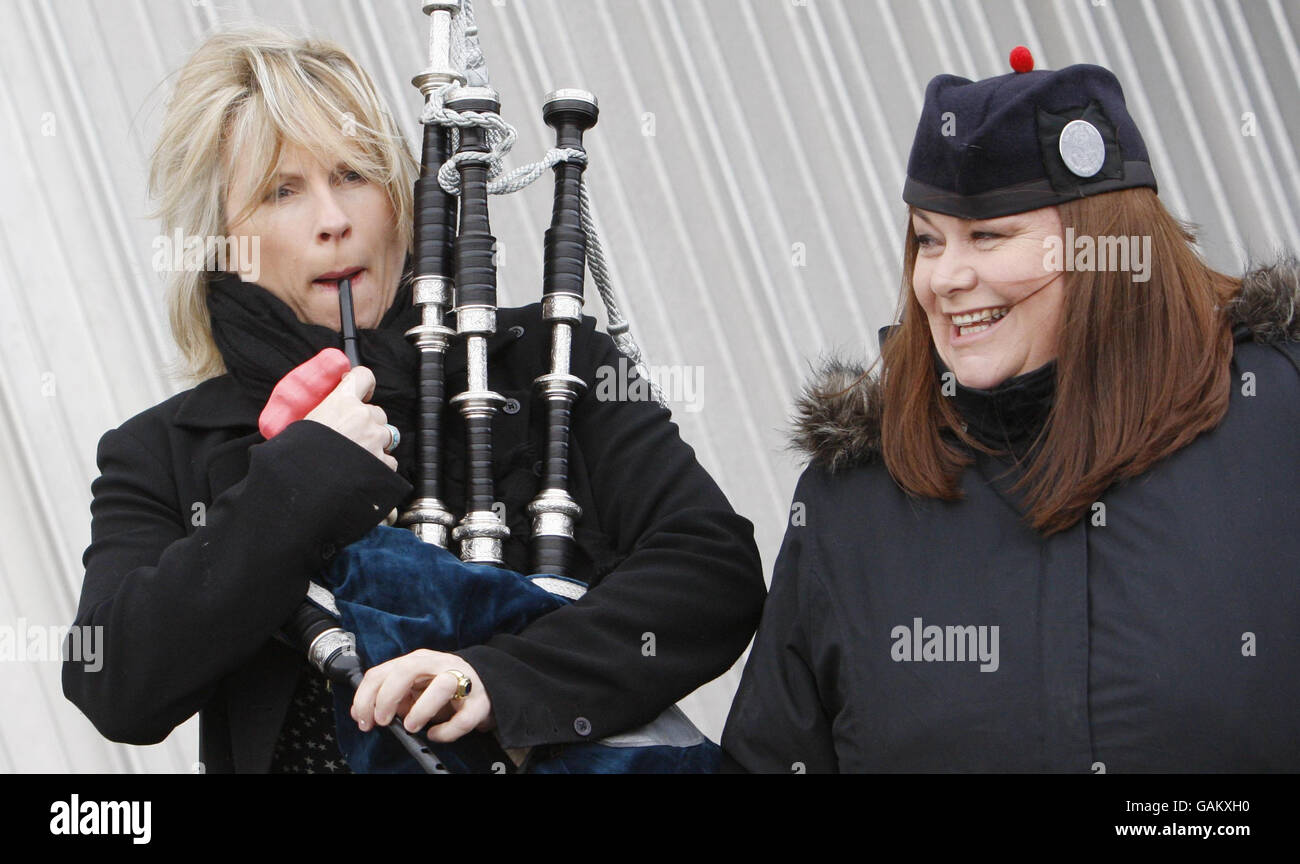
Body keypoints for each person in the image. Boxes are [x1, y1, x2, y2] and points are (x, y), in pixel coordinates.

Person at [63, 25, 764, 773]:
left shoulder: (548, 363)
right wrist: (301, 475)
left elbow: (711, 571)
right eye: (282, 191)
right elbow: (114, 682)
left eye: (355, 174)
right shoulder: (167, 452)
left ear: (404, 197)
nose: (334, 220)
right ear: (222, 239)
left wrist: (499, 679)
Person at [721, 49, 1300, 773]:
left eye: (988, 235)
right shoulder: (857, 499)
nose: (946, 278)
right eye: (929, 240)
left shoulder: (1276, 420)